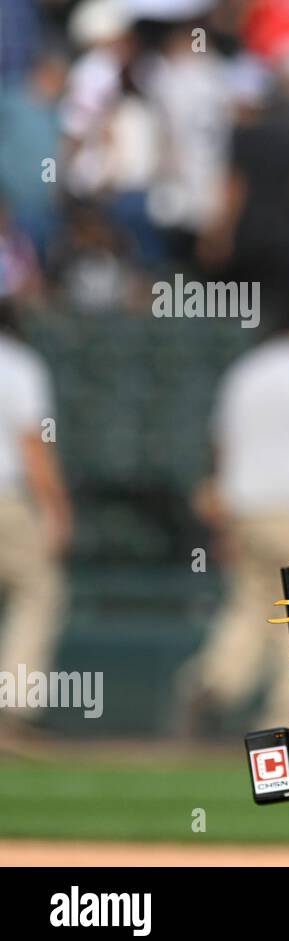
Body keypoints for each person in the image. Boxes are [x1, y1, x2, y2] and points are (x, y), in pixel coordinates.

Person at [174, 309, 289, 736]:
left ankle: (216, 683)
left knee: (251, 608)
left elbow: (222, 447)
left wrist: (223, 514)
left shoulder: (245, 372)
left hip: (245, 510)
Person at [0, 304, 72, 743]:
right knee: (38, 590)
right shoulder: (18, 363)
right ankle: (14, 708)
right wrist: (57, 510)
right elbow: (33, 444)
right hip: (6, 500)